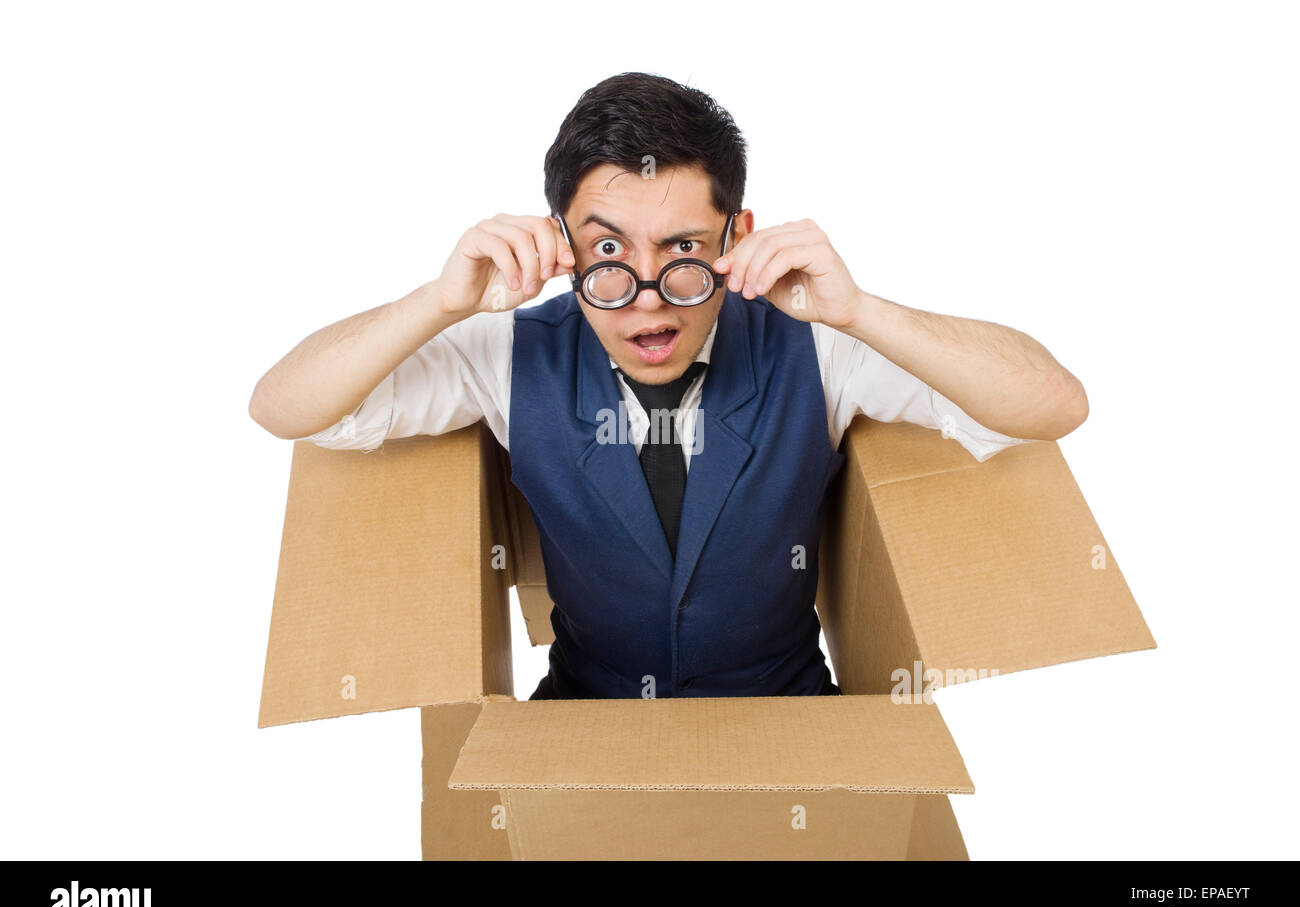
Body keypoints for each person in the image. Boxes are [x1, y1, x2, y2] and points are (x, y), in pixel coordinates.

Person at [249, 72, 1088, 701]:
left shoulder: (817, 347)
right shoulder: (508, 353)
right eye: (608, 254)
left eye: (683, 251)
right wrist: (440, 300)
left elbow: (1055, 403)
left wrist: (862, 309)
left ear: (739, 236)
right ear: (560, 245)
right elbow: (283, 406)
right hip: (586, 715)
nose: (647, 297)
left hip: (789, 715)